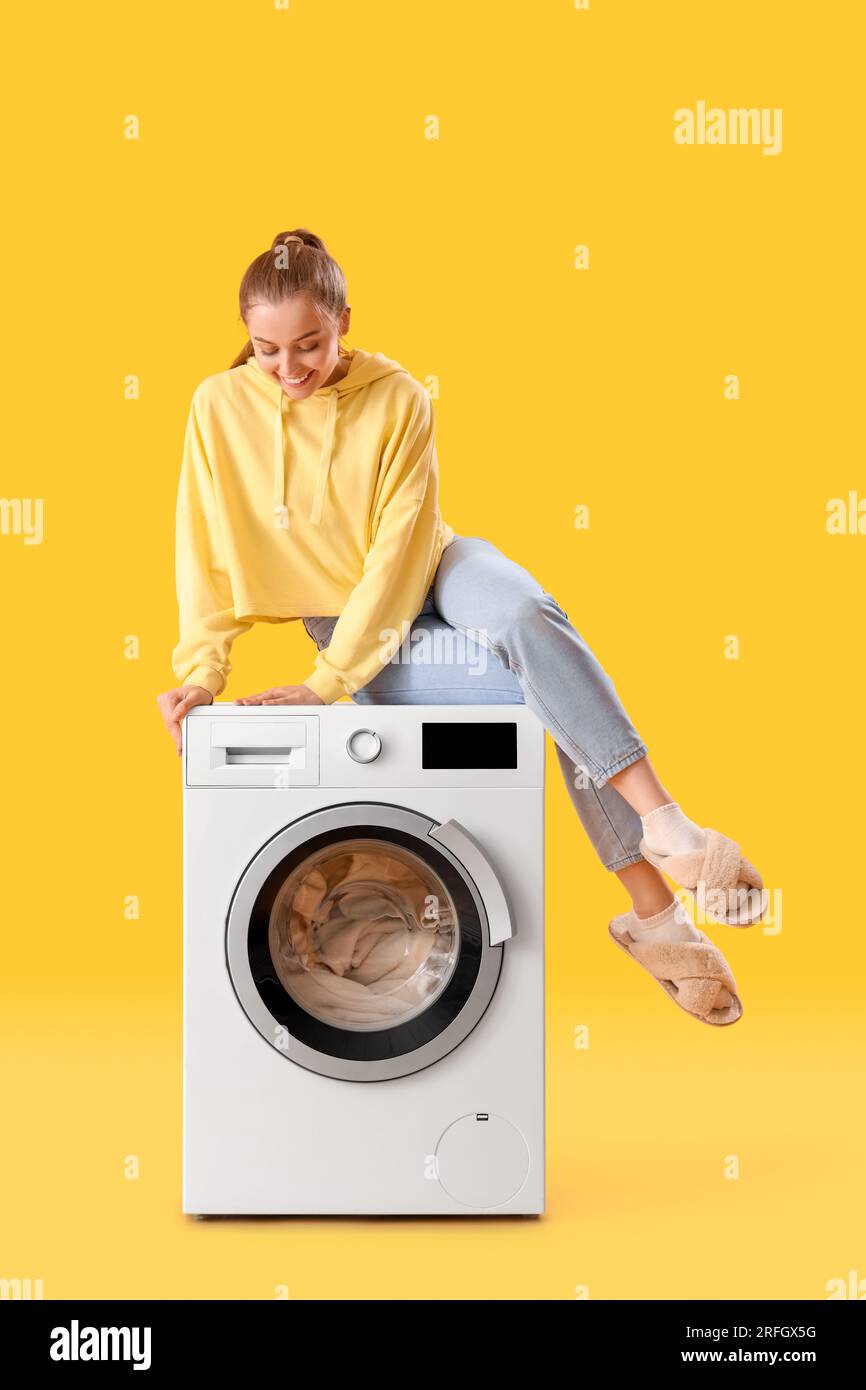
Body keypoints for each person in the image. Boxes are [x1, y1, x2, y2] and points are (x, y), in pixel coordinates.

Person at [156, 227, 765, 1027]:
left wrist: (322, 685)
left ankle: (663, 822)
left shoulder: (399, 395)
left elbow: (401, 549)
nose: (290, 368)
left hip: (435, 565)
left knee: (524, 613)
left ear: (345, 322)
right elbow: (202, 549)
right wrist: (205, 673)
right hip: (352, 622)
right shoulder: (217, 407)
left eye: (310, 344)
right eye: (268, 350)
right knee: (538, 689)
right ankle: (653, 913)